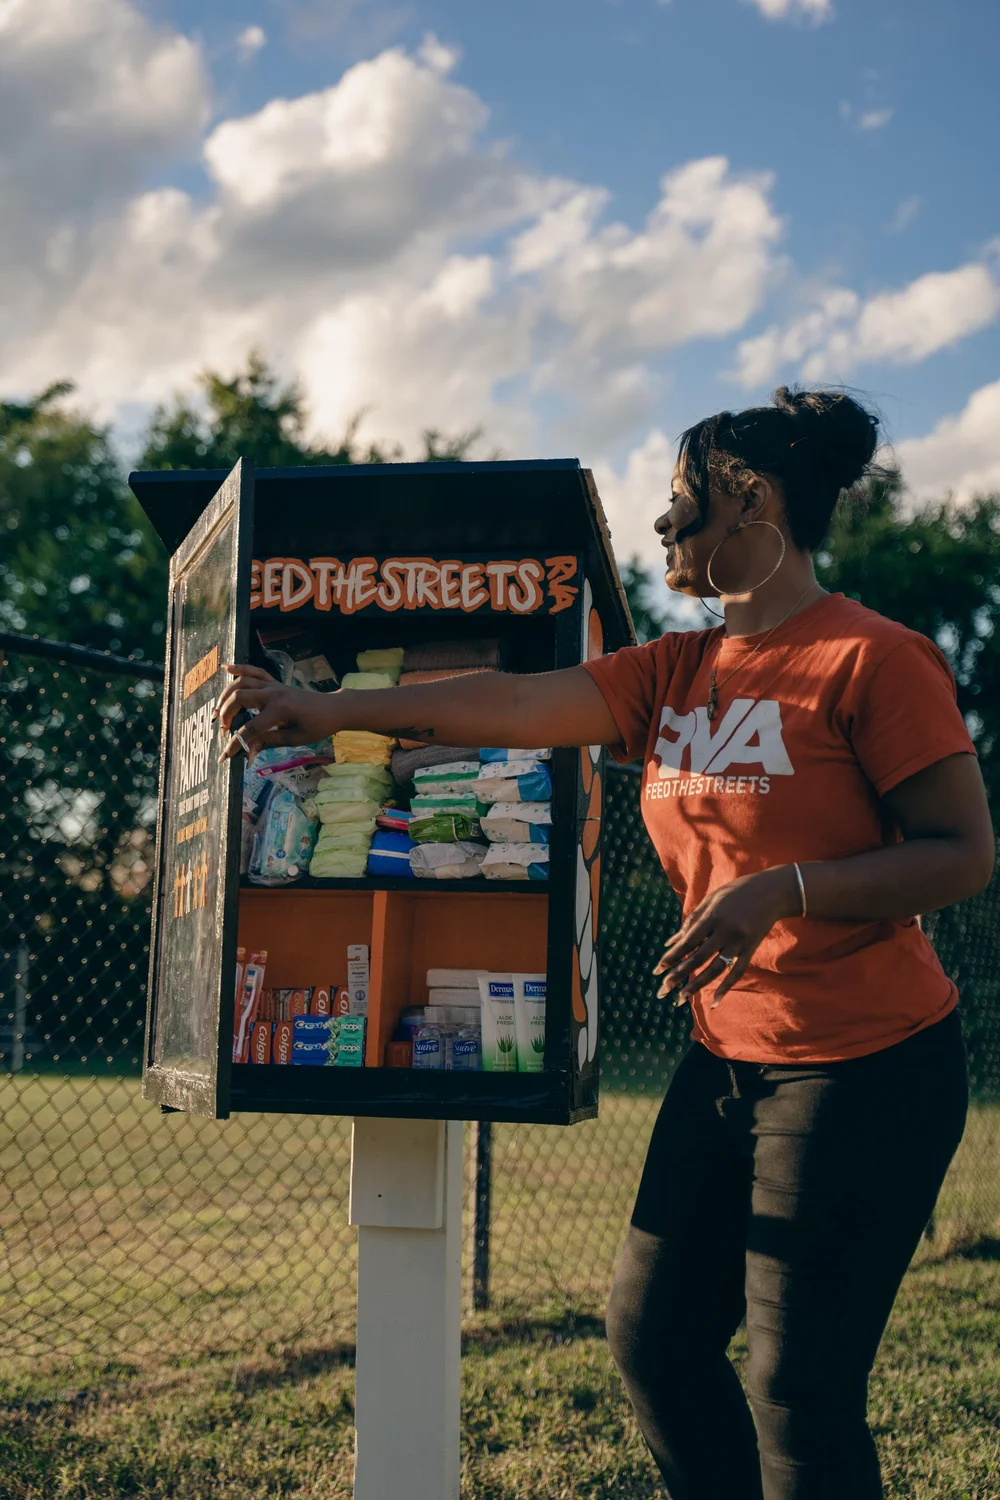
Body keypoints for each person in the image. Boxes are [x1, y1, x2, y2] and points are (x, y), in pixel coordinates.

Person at [216, 387, 994, 1500]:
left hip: (867, 1066)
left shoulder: (873, 658)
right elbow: (514, 702)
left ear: (750, 501)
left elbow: (962, 854)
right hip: (728, 1059)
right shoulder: (676, 672)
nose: (664, 530)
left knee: (798, 1391)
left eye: (681, 507)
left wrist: (784, 889)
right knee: (654, 1341)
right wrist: (328, 713)